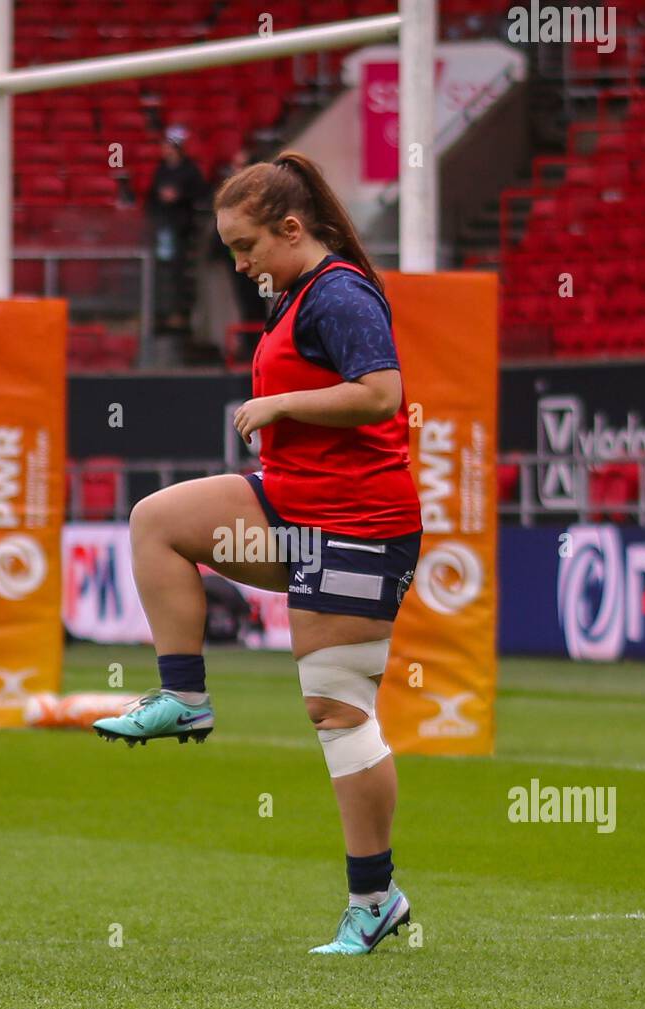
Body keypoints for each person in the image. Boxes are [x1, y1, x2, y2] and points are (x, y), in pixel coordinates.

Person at [94, 151, 422, 956]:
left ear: (292, 228)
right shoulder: (295, 294)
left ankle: (374, 899)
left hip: (358, 522)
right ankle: (185, 697)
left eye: (245, 247)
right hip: (292, 502)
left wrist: (280, 403)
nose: (239, 264)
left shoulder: (339, 291)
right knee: (156, 522)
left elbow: (382, 393)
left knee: (338, 711)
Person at [208, 146, 269, 362]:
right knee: (245, 303)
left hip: (262, 263)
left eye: (240, 165)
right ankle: (252, 346)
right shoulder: (229, 198)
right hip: (239, 263)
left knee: (263, 300)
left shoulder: (260, 197)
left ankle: (263, 344)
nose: (235, 170)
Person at [146, 125, 208, 332]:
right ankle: (161, 313)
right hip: (163, 228)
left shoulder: (190, 170)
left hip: (181, 230)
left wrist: (178, 196)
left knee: (178, 273)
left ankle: (179, 314)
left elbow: (200, 194)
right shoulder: (161, 170)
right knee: (161, 273)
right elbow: (151, 197)